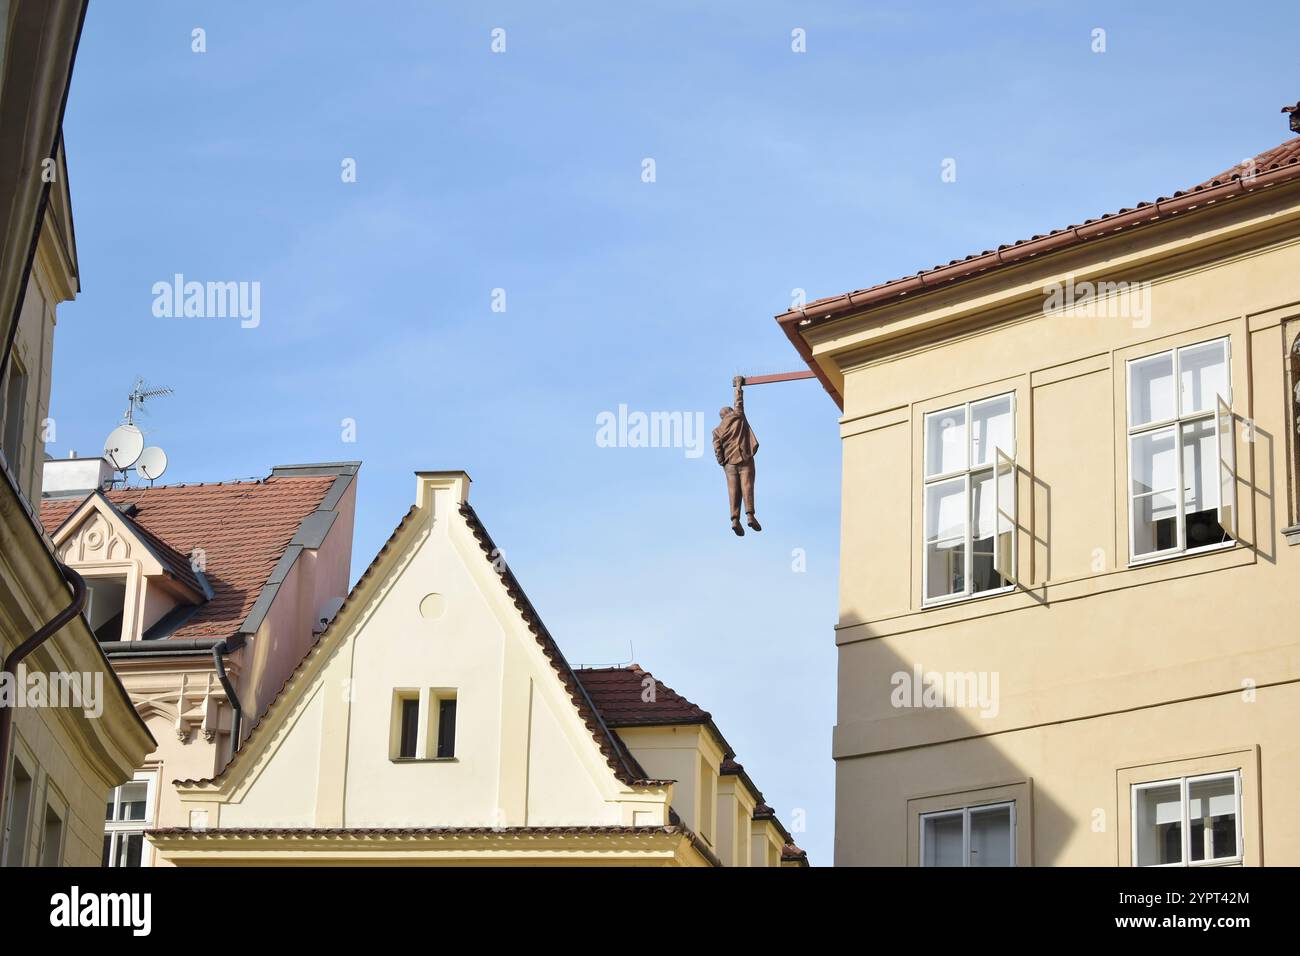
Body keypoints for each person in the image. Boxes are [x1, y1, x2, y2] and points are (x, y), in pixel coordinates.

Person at [713, 376, 761, 536]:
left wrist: (723, 462)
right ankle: (750, 516)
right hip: (744, 458)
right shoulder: (738, 416)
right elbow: (738, 401)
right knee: (747, 486)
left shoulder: (717, 431)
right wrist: (738, 385)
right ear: (730, 412)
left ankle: (734, 519)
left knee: (733, 490)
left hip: (729, 464)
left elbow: (717, 449)